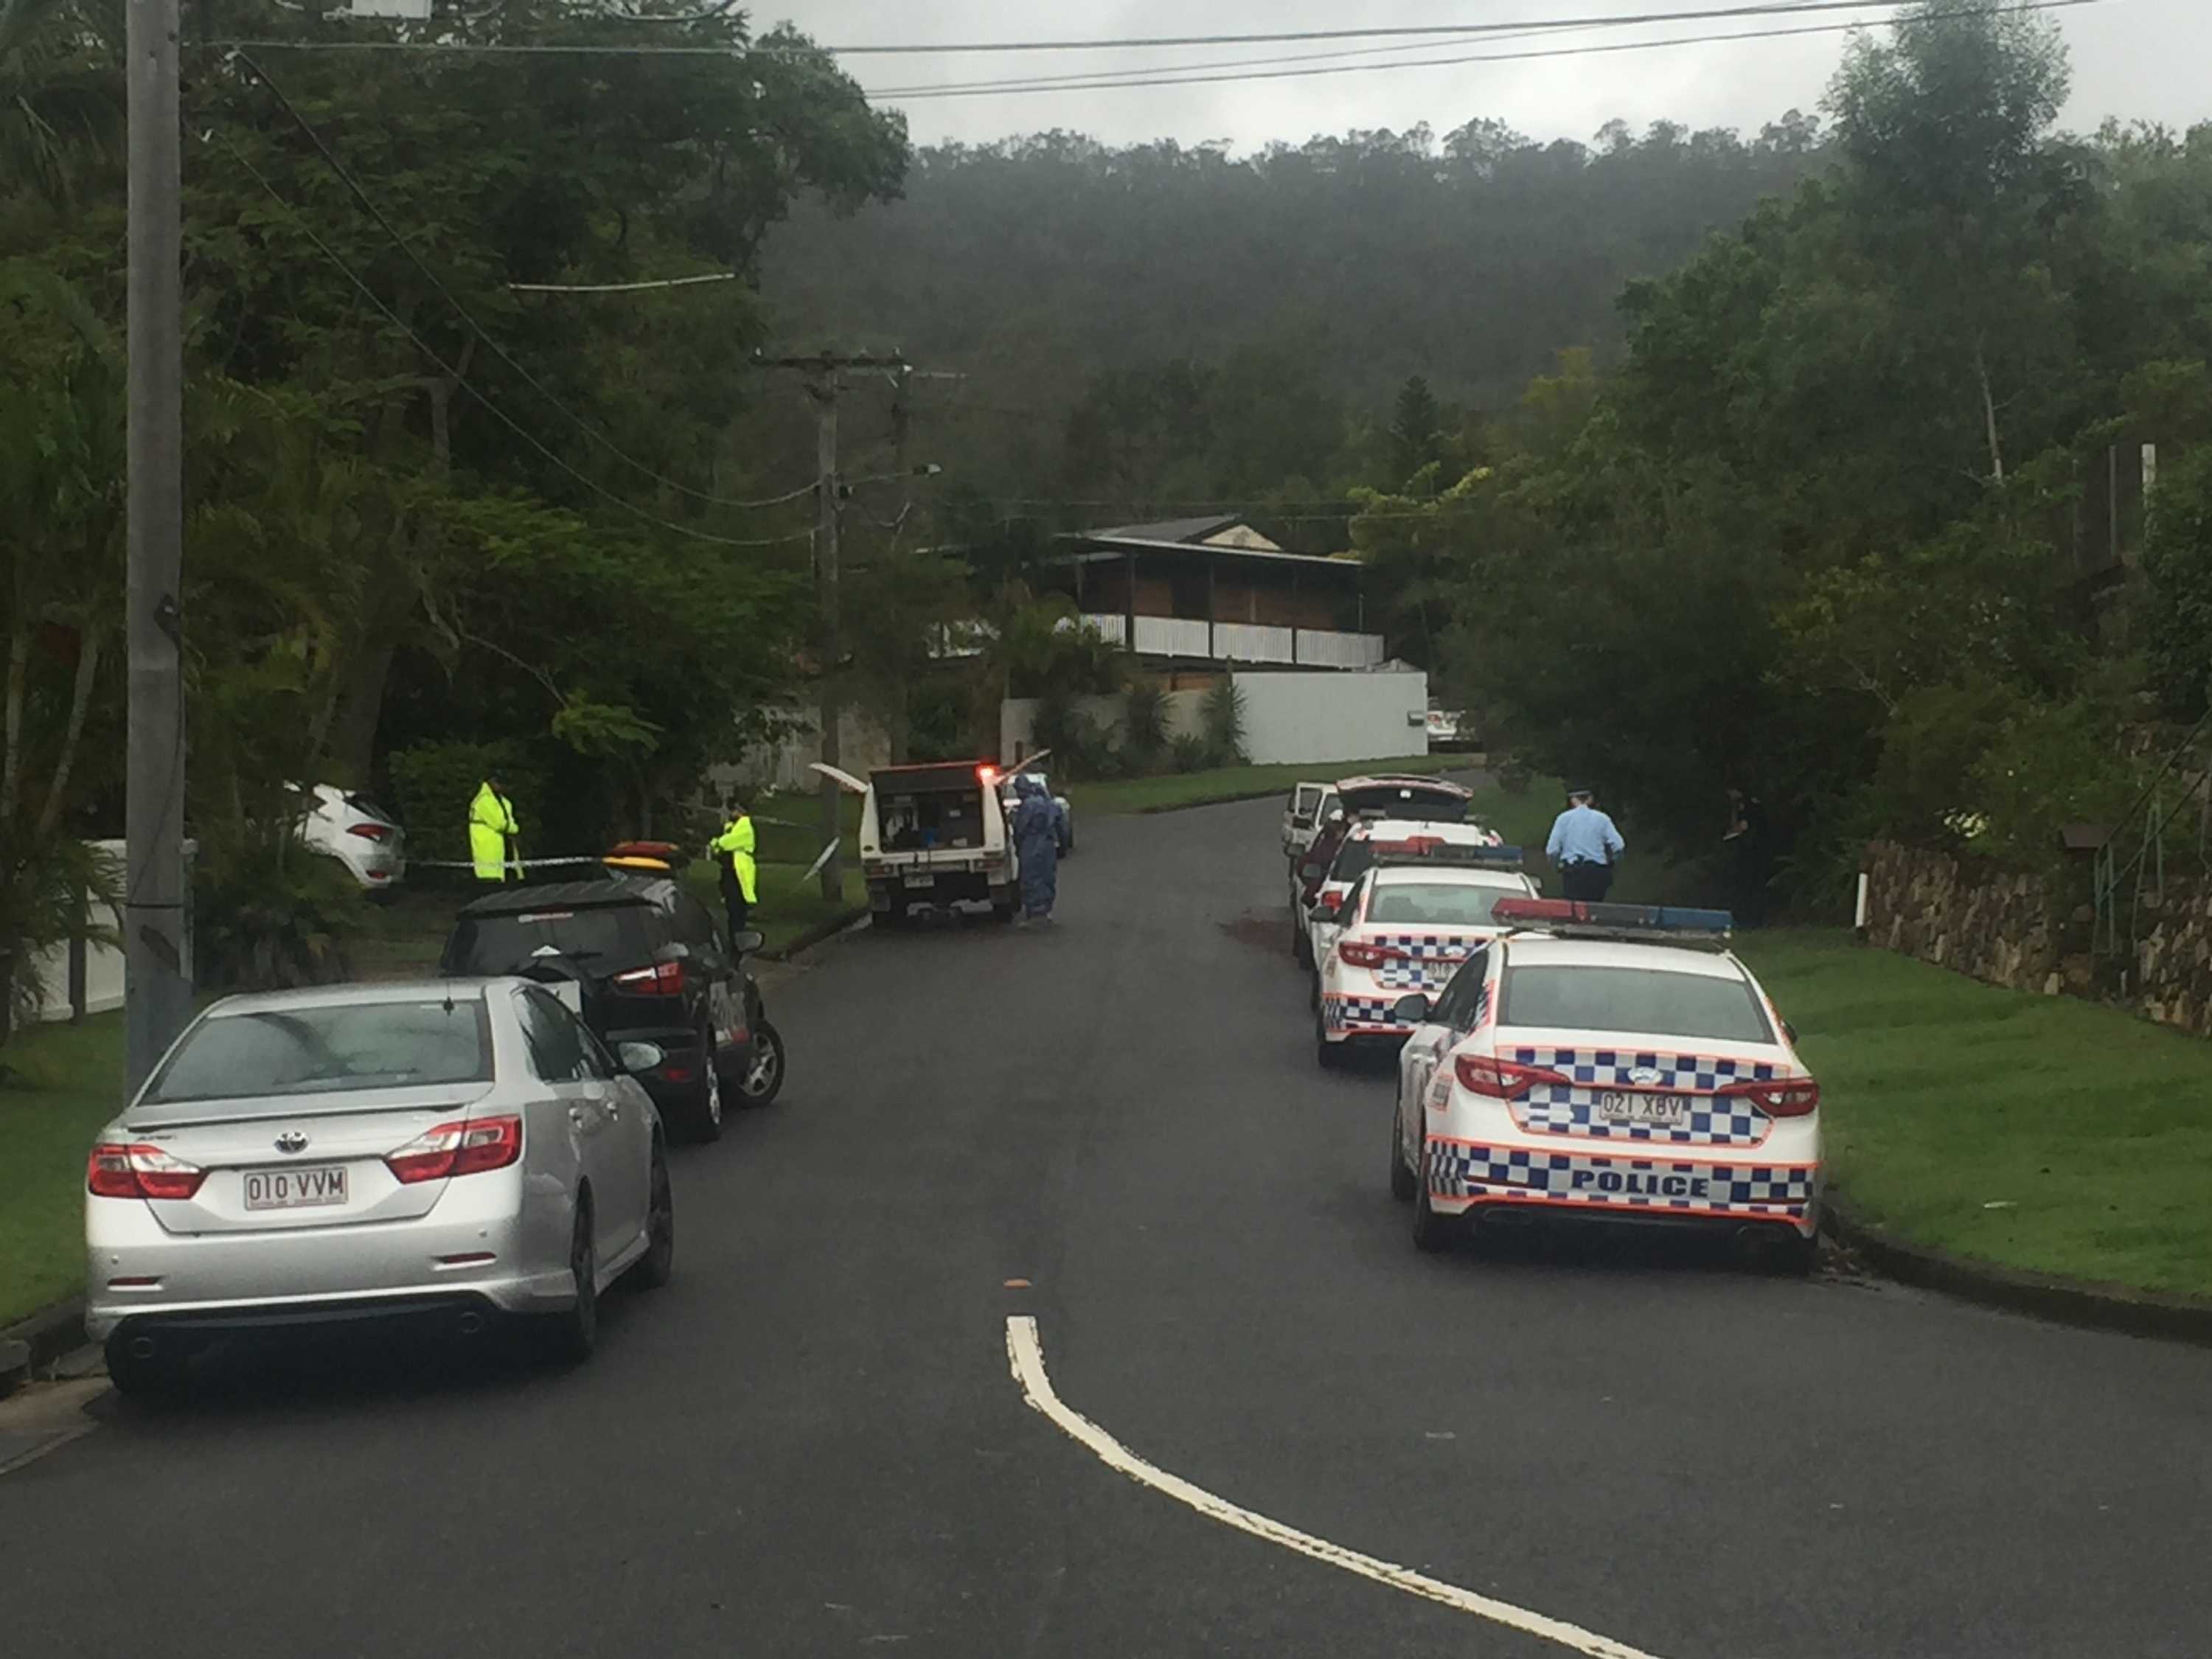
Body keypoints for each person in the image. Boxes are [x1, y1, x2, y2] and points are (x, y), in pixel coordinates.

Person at [1545, 785, 1624, 902]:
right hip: (1598, 872)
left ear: (1573, 800)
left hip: (1574, 873)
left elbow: (1552, 850)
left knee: (1573, 910)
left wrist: (1556, 867)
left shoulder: (1563, 819)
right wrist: (1611, 864)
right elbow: (1619, 846)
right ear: (1590, 799)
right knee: (1595, 909)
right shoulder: (1602, 819)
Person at [1012, 774, 1060, 925]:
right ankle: (1046, 910)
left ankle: (1033, 912)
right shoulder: (1048, 804)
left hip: (1032, 842)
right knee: (1047, 875)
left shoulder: (1028, 805)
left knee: (1030, 876)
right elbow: (1057, 819)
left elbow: (1021, 828)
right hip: (1047, 844)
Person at [711, 795, 759, 944]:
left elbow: (725, 843)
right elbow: (718, 847)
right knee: (732, 910)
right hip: (731, 872)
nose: (732, 813)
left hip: (739, 874)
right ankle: (734, 940)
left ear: (741, 811)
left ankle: (737, 942)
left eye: (734, 810)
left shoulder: (745, 826)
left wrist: (718, 842)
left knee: (737, 910)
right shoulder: (733, 827)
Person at [468, 776, 521, 884]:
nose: (500, 786)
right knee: (490, 883)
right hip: (488, 850)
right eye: (497, 782)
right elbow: (499, 823)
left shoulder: (504, 801)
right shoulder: (483, 801)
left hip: (503, 846)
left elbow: (507, 820)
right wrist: (515, 828)